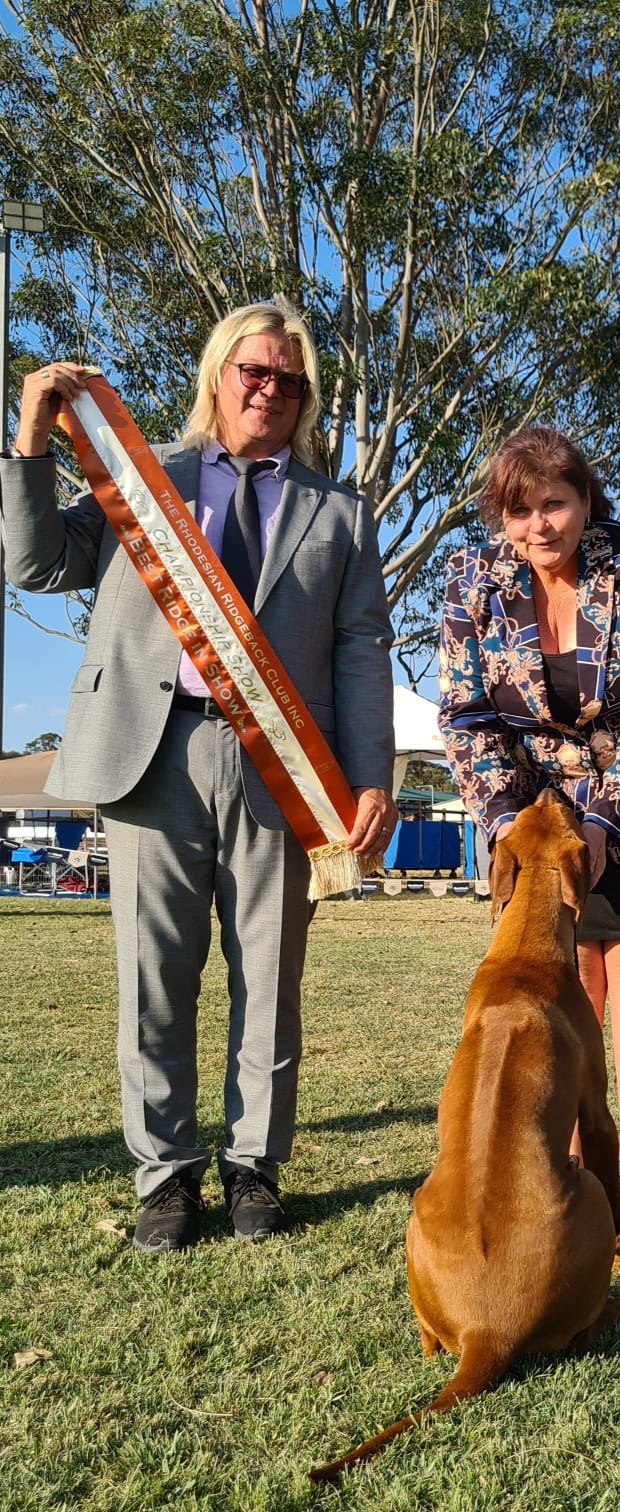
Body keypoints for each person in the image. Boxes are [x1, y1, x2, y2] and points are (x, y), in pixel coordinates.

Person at [0, 301, 397, 1251]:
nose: (270, 390)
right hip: (151, 755)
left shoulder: (341, 513)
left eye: (289, 380)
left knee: (271, 980)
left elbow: (360, 650)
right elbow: (35, 564)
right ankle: (167, 1176)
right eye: (254, 371)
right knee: (155, 981)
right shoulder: (142, 481)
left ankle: (254, 1166)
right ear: (217, 376)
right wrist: (31, 441)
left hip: (282, 767)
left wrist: (369, 776)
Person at [438, 425, 620, 1235]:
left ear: (585, 501)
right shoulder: (470, 579)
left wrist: (603, 816)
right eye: (519, 512)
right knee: (569, 979)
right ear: (500, 518)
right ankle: (574, 1153)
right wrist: (505, 822)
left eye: (555, 505)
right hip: (538, 816)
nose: (539, 526)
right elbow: (465, 716)